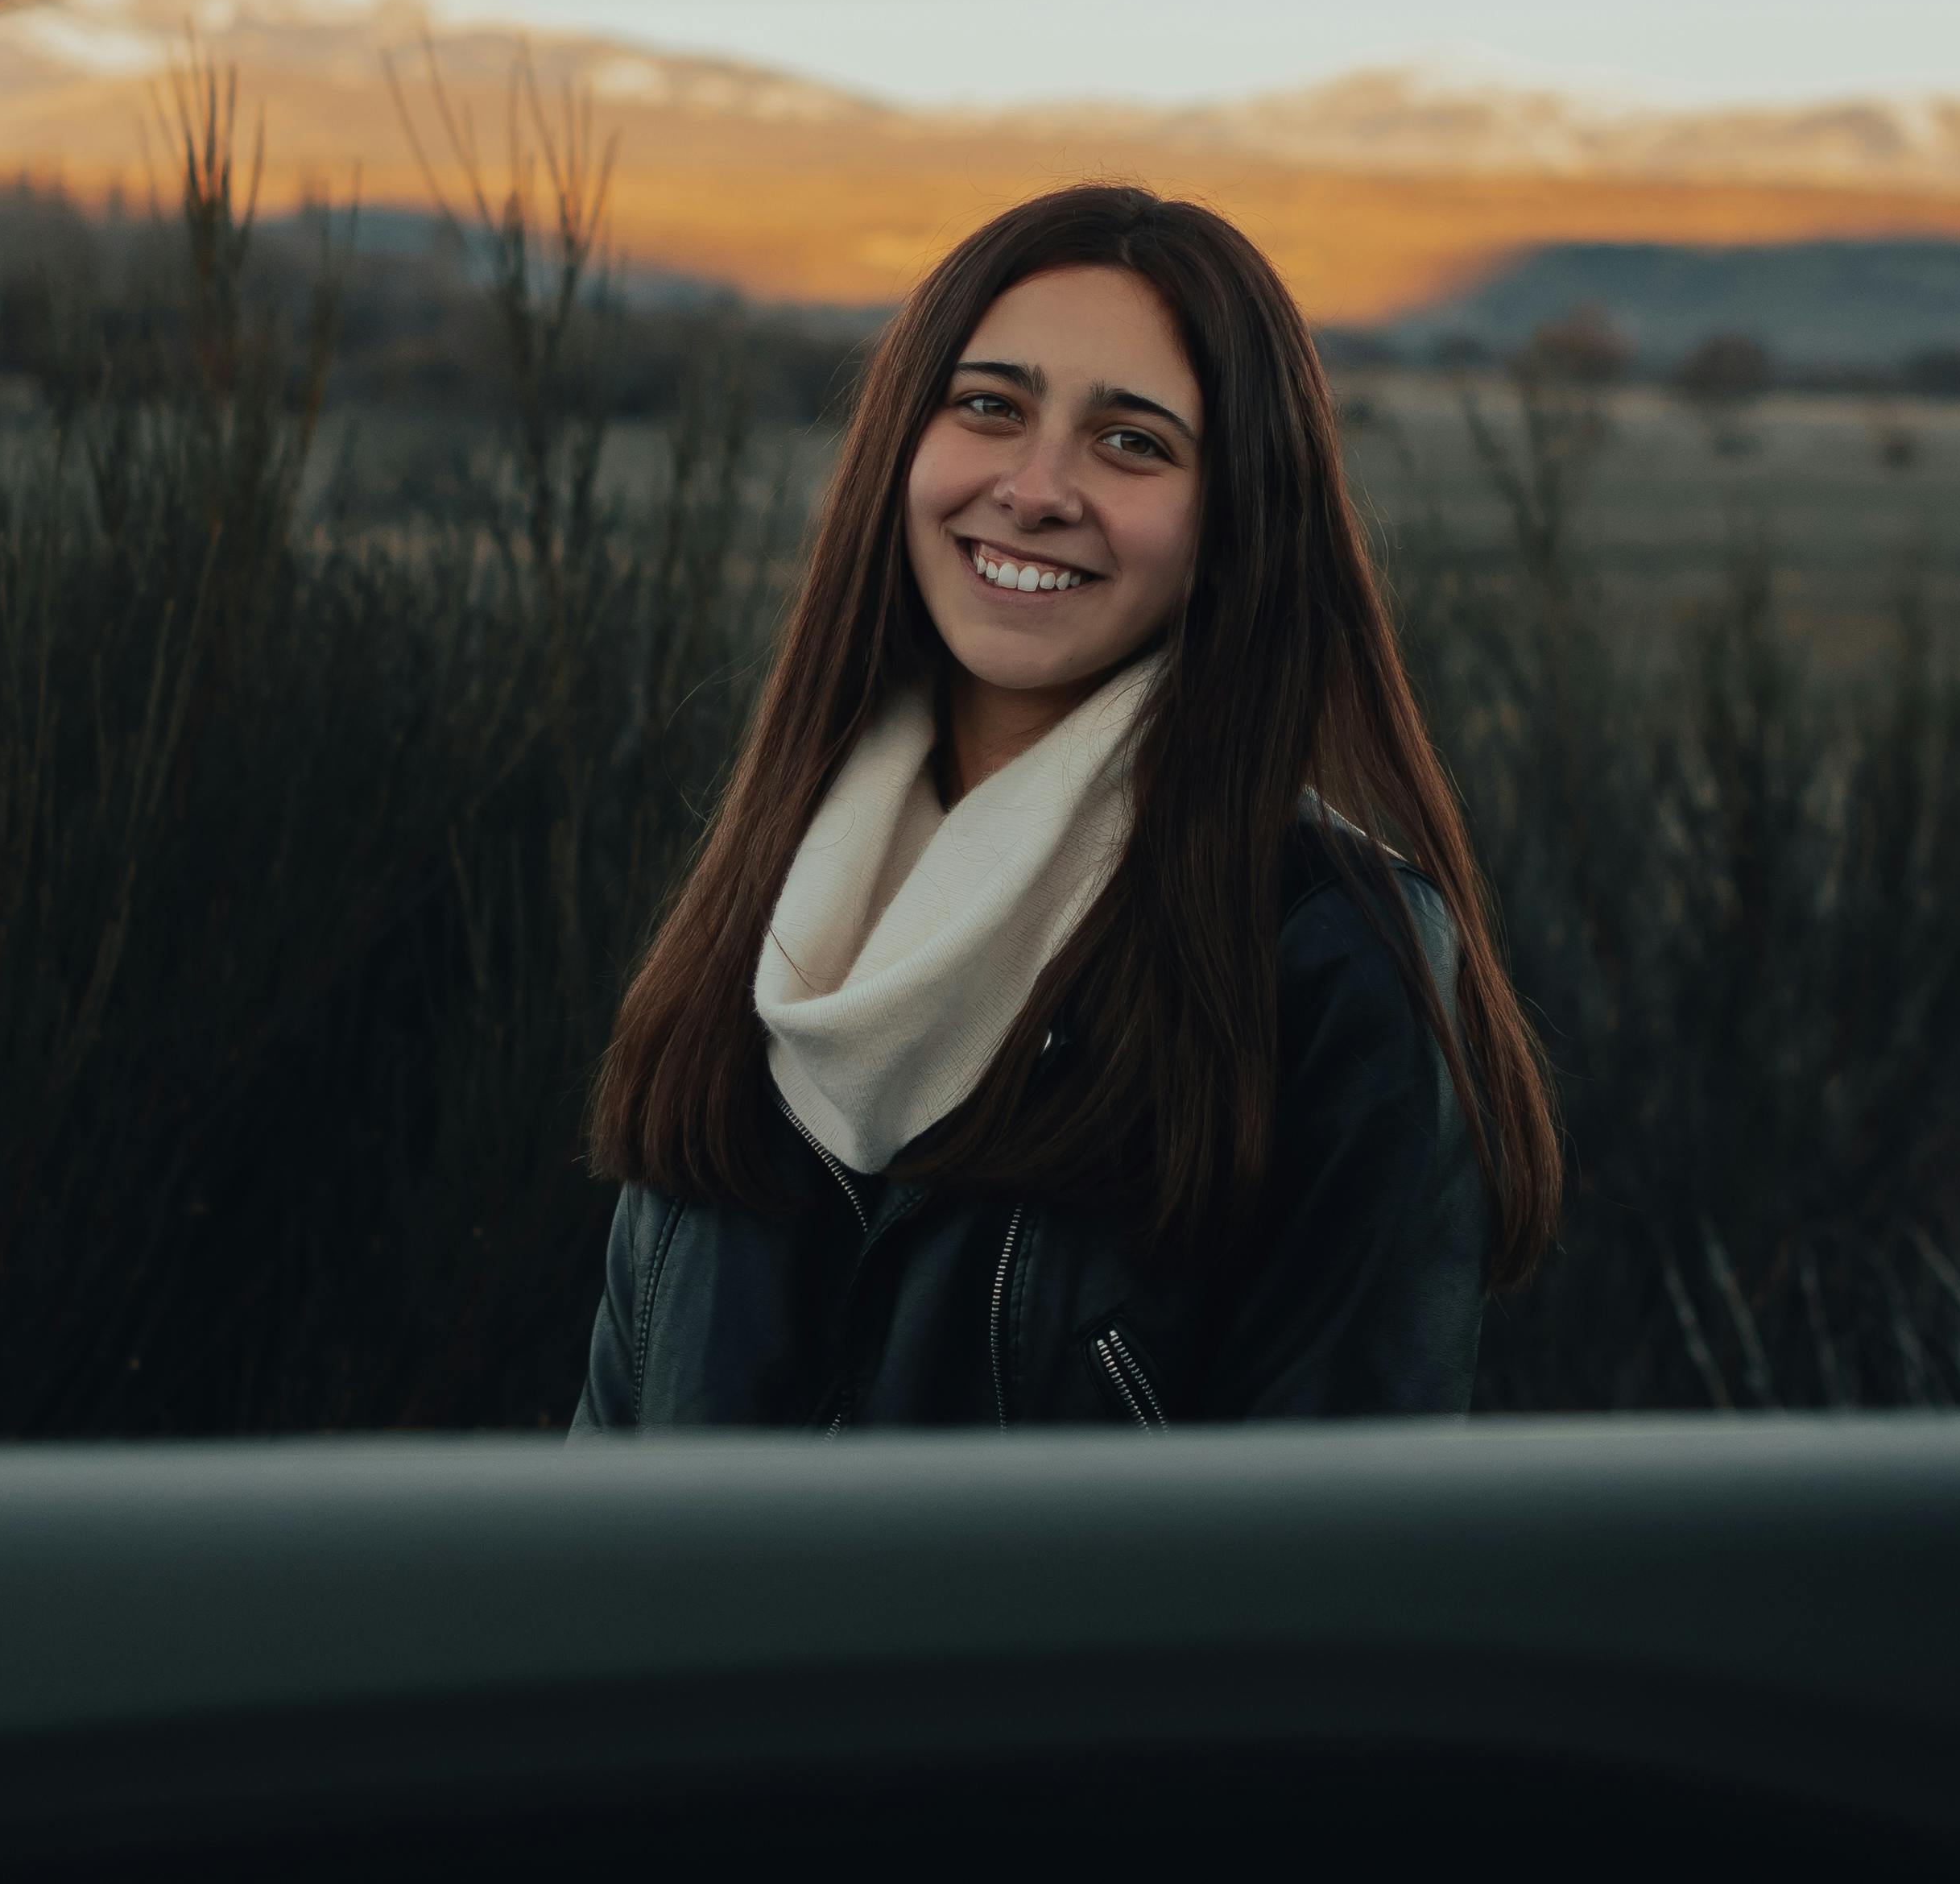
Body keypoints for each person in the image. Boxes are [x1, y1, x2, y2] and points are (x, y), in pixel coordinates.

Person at [573, 184, 1561, 1431]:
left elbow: (1327, 1573)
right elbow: (605, 1472)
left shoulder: (1327, 958)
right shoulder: (772, 902)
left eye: (1132, 440)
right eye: (990, 407)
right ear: (902, 449)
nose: (1036, 489)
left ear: (1235, 519)